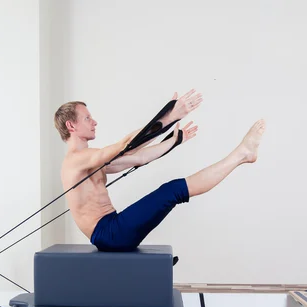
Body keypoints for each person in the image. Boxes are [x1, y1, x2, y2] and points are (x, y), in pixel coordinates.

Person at [55, 90, 266, 252]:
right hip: (109, 234)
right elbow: (126, 144)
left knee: (171, 189)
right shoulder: (75, 162)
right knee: (172, 190)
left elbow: (138, 155)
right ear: (71, 126)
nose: (94, 122)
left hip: (112, 230)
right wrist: (170, 116)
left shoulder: (90, 160)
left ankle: (243, 155)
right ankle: (241, 155)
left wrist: (174, 140)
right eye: (87, 118)